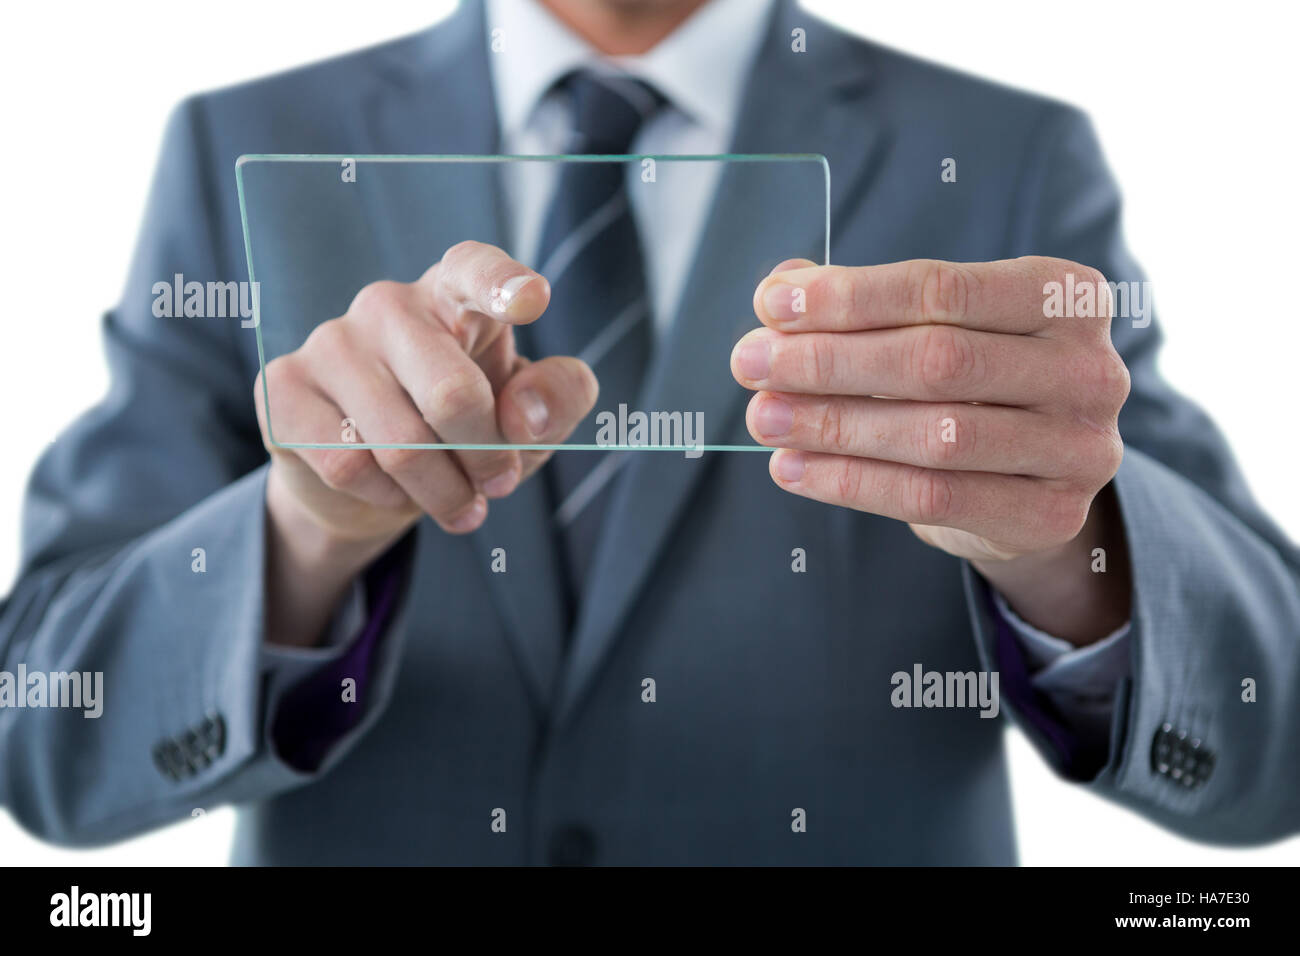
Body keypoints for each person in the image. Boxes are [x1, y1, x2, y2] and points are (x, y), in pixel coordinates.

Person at [1, 0, 1296, 865]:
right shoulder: (247, 141)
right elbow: (45, 727)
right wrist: (306, 533)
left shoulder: (1005, 154)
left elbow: (1270, 737)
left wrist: (1077, 560)